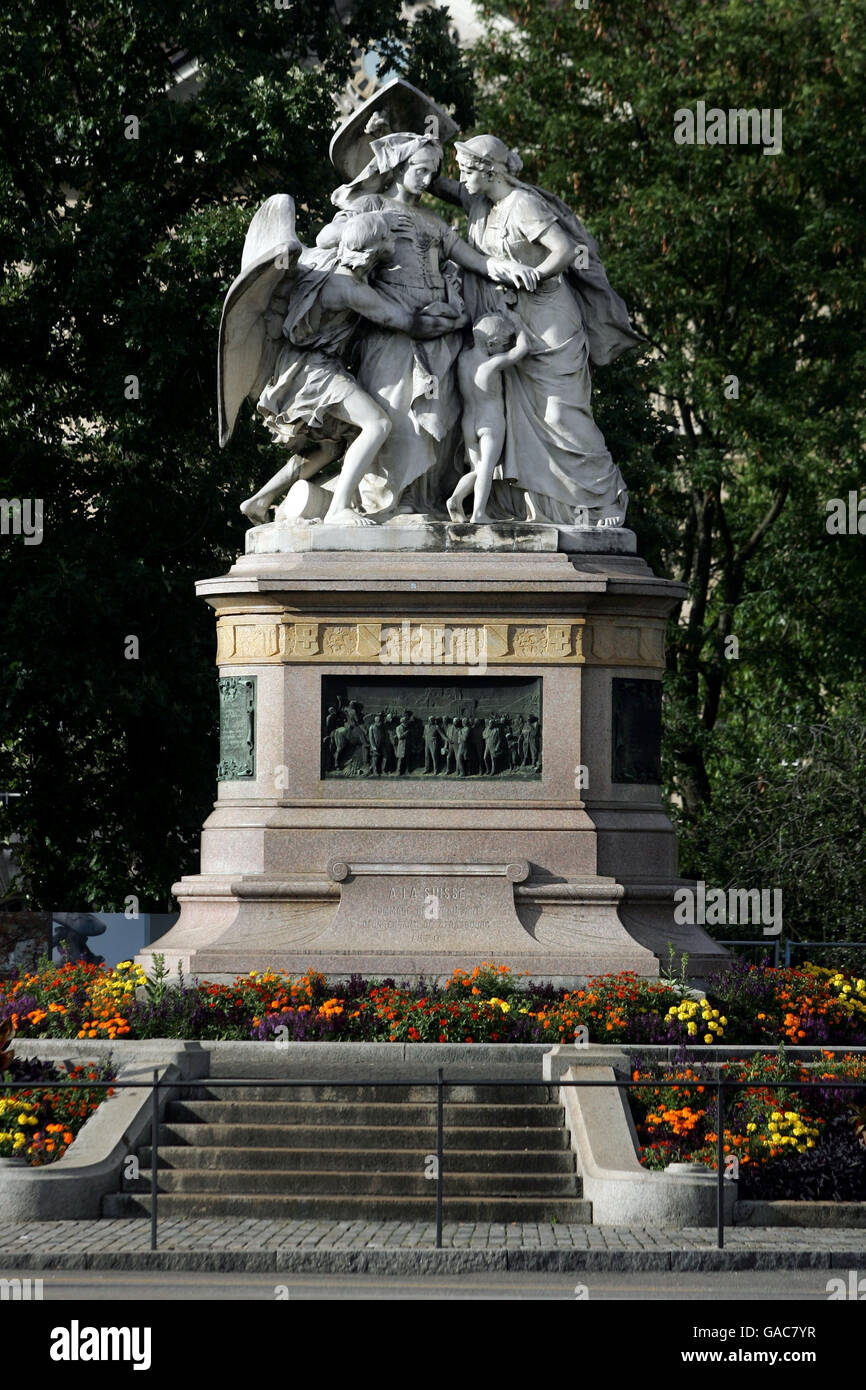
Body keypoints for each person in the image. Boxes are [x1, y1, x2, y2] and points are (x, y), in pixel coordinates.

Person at [322, 133, 538, 517]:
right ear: (400, 167)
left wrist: (508, 268)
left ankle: (425, 502)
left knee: (440, 420)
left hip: (441, 328)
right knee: (399, 414)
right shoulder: (372, 204)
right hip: (391, 326)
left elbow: (473, 260)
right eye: (420, 171)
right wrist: (359, 225)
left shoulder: (434, 220)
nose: (426, 180)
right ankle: (388, 503)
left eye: (432, 173)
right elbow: (327, 237)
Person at [437, 134, 642, 527]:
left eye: (466, 170)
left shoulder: (522, 204)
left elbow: (563, 250)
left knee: (561, 415)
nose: (460, 179)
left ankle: (604, 501)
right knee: (518, 416)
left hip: (550, 321)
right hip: (514, 323)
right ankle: (541, 509)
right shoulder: (479, 201)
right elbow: (434, 184)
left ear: (490, 169)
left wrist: (533, 275)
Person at [241, 212, 464, 527]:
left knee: (334, 444)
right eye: (388, 239)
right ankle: (339, 509)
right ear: (374, 252)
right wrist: (460, 319)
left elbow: (323, 241)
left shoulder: (319, 262)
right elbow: (407, 322)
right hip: (314, 371)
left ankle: (260, 499)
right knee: (376, 425)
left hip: (301, 366)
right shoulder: (349, 287)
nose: (394, 244)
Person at [447, 314, 532, 524]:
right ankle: (478, 514)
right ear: (492, 344)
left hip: (468, 422)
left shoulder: (463, 359)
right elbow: (522, 349)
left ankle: (456, 498)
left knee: (476, 469)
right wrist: (519, 323)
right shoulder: (492, 364)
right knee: (486, 469)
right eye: (503, 344)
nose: (505, 347)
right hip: (490, 421)